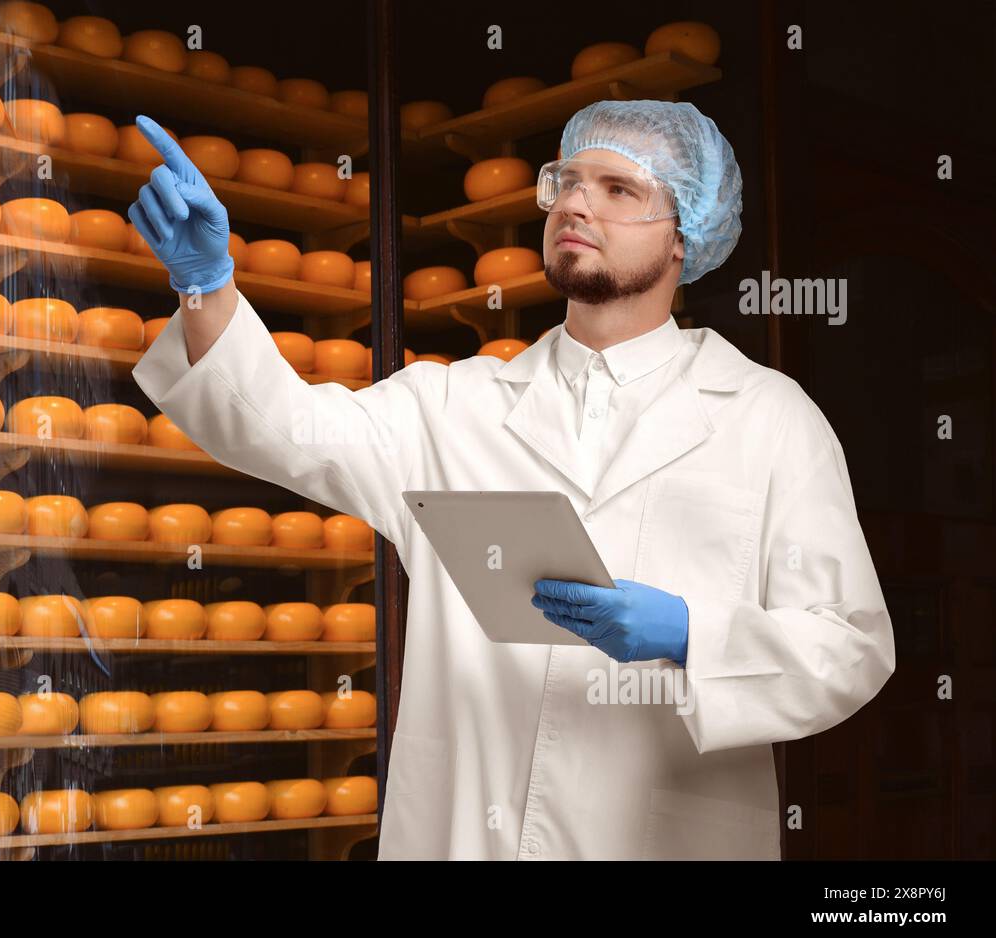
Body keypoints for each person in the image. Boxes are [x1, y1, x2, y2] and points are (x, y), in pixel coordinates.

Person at [129, 101, 895, 860]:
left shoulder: (768, 419)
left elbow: (852, 644)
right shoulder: (452, 405)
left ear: (683, 237)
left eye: (617, 190)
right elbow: (284, 431)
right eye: (566, 181)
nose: (575, 203)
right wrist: (206, 284)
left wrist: (696, 635)